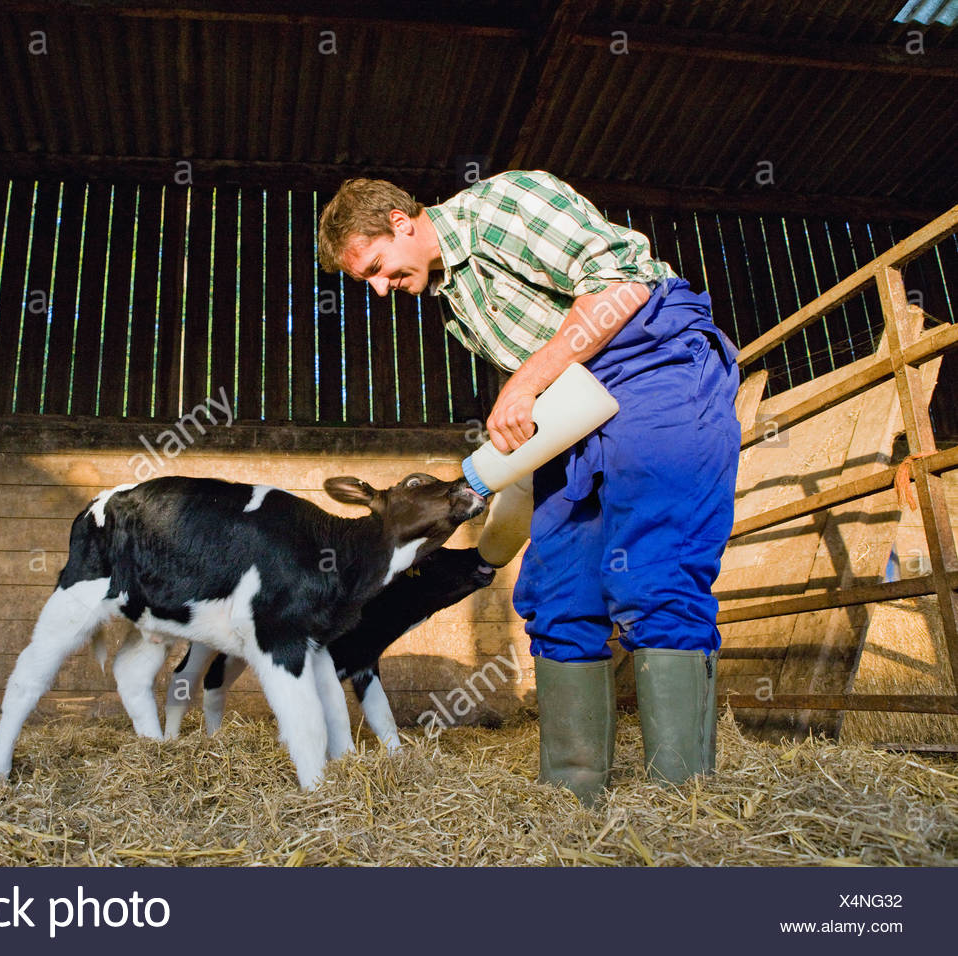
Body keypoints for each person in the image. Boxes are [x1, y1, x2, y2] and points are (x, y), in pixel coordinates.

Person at [317, 171, 740, 805]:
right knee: (560, 591)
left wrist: (523, 385)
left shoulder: (504, 204)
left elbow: (621, 284)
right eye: (365, 282)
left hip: (653, 370)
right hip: (578, 404)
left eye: (378, 266)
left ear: (402, 222)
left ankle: (681, 806)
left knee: (655, 574)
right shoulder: (454, 296)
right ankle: (573, 799)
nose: (380, 290)